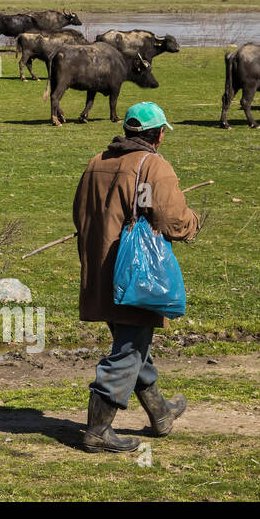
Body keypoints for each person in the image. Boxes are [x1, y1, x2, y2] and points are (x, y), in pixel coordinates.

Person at [73, 101, 200, 453]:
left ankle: (160, 413)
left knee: (134, 343)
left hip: (101, 270)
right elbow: (170, 220)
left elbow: (80, 214)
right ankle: (98, 431)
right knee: (129, 350)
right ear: (158, 135)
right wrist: (193, 224)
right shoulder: (154, 167)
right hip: (136, 276)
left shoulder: (97, 162)